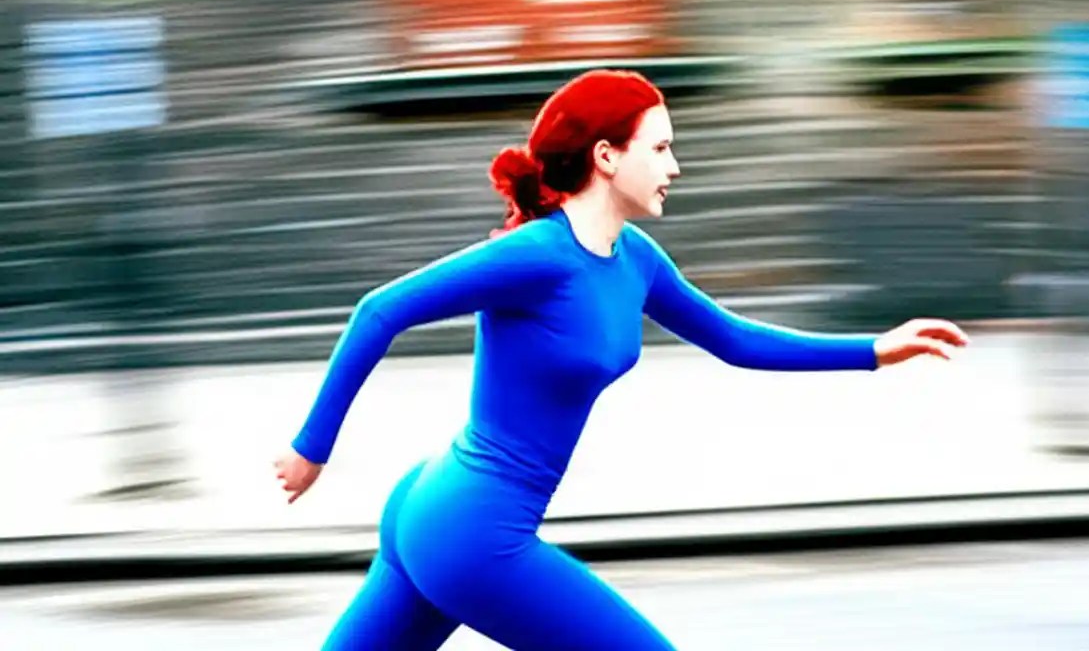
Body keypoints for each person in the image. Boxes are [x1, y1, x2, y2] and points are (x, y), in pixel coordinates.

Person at [273, 69, 969, 650]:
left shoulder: (635, 260)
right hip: (471, 531)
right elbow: (380, 311)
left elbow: (733, 340)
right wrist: (312, 447)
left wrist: (876, 351)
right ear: (607, 156)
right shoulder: (535, 256)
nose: (675, 166)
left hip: (440, 509)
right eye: (660, 148)